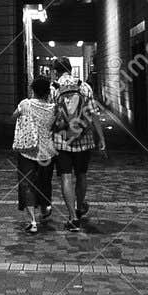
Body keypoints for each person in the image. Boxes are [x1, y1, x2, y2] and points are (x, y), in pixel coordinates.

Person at [48, 57, 104, 231]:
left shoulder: (54, 89)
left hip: (61, 140)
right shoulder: (84, 86)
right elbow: (93, 114)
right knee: (81, 175)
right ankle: (80, 208)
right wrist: (101, 137)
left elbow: (50, 117)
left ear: (56, 72)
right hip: (83, 140)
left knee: (66, 177)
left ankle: (73, 218)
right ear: (70, 69)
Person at [11, 76, 56, 234]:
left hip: (27, 151)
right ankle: (45, 208)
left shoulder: (25, 104)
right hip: (47, 152)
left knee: (27, 184)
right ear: (48, 92)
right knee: (45, 183)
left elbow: (14, 116)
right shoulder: (53, 108)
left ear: (33, 90)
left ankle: (32, 221)